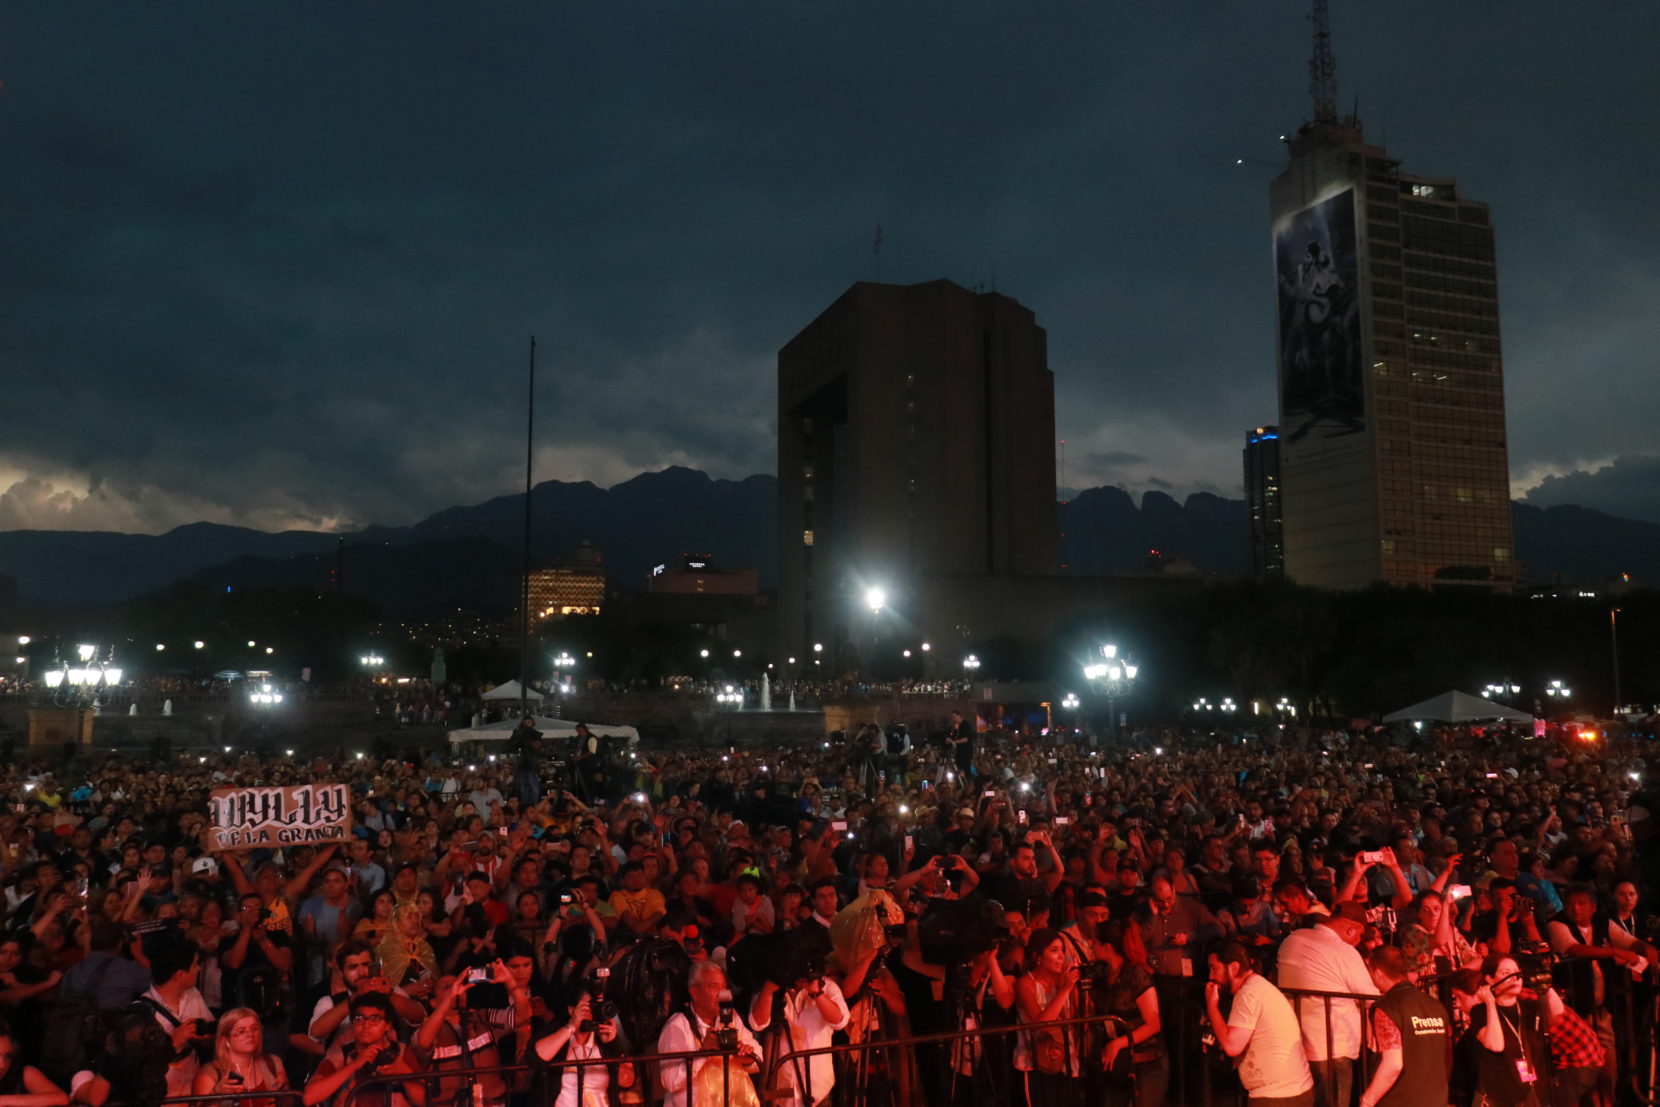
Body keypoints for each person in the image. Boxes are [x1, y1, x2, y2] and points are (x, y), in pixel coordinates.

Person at [1275, 908, 1378, 1107]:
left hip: (1298, 1040)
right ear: (1351, 930)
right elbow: (1369, 996)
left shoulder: (1292, 940)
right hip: (1334, 1045)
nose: (1359, 942)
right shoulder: (1343, 950)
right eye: (1360, 936)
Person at [1205, 940, 1315, 1107]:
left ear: (1233, 968)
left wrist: (1211, 1006)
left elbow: (1231, 1045)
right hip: (1290, 1091)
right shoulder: (1257, 986)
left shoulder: (1248, 994)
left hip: (1278, 1097)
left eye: (1214, 968)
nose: (1211, 977)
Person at [655, 961, 762, 1107]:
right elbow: (669, 1081)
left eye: (724, 986)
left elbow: (759, 1058)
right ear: (694, 992)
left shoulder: (731, 1018)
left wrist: (747, 1057)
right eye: (713, 987)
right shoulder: (677, 1026)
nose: (722, 993)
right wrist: (702, 1054)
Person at [1356, 946, 1450, 1107]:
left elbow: (1393, 1064)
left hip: (1400, 1100)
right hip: (1436, 1098)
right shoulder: (1435, 1005)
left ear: (1378, 973)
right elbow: (1447, 1054)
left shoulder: (1386, 1007)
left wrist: (1368, 1100)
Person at [749, 960, 850, 1107]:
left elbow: (840, 1021)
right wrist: (769, 989)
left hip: (818, 1087)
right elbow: (757, 1023)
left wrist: (816, 992)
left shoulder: (827, 986)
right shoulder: (771, 985)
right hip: (781, 1087)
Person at [303, 992, 425, 1107]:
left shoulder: (400, 1052)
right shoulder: (341, 1054)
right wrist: (355, 1065)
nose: (366, 1025)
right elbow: (309, 1098)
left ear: (388, 1025)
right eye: (359, 1018)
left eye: (375, 1019)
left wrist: (404, 1073)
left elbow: (425, 1100)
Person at [1095, 920, 1166, 1107]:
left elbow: (1153, 1023)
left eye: (1095, 941)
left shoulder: (1135, 974)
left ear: (1107, 947)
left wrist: (1118, 1043)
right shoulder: (1102, 974)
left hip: (1145, 1061)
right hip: (1117, 1062)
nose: (1091, 945)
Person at [1015, 928, 1083, 1107]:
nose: (1061, 956)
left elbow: (1077, 1017)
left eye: (1062, 950)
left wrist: (1073, 987)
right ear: (1038, 956)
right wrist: (1066, 990)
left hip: (1066, 1060)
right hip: (1035, 1063)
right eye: (1054, 951)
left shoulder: (1064, 980)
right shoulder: (1025, 984)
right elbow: (1042, 1024)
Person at [141, 937, 215, 1101]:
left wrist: (205, 1038)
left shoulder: (193, 995)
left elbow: (210, 1031)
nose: (199, 968)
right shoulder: (140, 1012)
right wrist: (173, 1042)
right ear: (180, 974)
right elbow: (137, 1067)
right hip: (162, 1098)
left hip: (194, 1093)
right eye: (196, 964)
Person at [533, 990, 627, 1107]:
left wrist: (612, 1045)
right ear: (571, 1010)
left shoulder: (605, 1039)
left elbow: (627, 1081)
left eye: (597, 1006)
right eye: (589, 1006)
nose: (593, 1012)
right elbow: (536, 1057)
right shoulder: (557, 1032)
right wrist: (571, 1026)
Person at [194, 1007, 290, 1105]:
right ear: (226, 1040)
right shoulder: (210, 1074)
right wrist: (216, 1094)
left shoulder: (273, 1063)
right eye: (241, 1031)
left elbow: (289, 1104)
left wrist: (281, 1097)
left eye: (254, 1028)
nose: (250, 1034)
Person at [0, 1024, 68, 1107]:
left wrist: (4, 1100)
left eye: (7, 1056)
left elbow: (61, 1098)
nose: (2, 1065)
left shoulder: (21, 1074)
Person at [509, 716, 543, 809]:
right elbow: (512, 744)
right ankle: (525, 805)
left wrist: (528, 739)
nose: (527, 723)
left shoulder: (534, 733)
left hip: (531, 762)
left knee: (532, 784)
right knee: (524, 786)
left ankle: (533, 804)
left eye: (529, 722)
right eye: (525, 722)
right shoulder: (519, 732)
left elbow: (537, 746)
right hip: (522, 762)